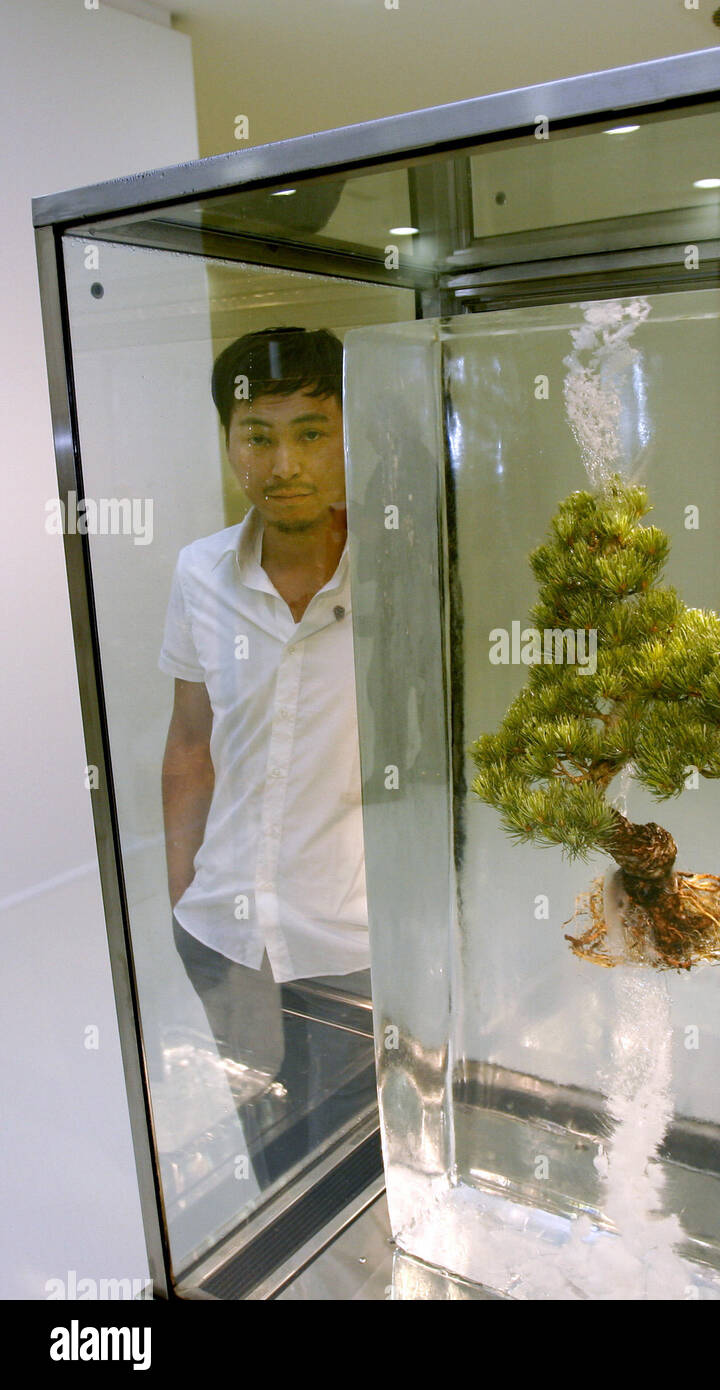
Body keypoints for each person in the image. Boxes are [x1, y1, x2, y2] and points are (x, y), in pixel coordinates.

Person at [159, 327, 370, 1189]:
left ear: (349, 436)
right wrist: (184, 894)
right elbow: (189, 742)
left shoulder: (397, 571)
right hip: (225, 930)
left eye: (311, 433)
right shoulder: (199, 572)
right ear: (229, 442)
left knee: (358, 1152)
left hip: (354, 936)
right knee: (267, 1144)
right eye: (258, 435)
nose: (285, 463)